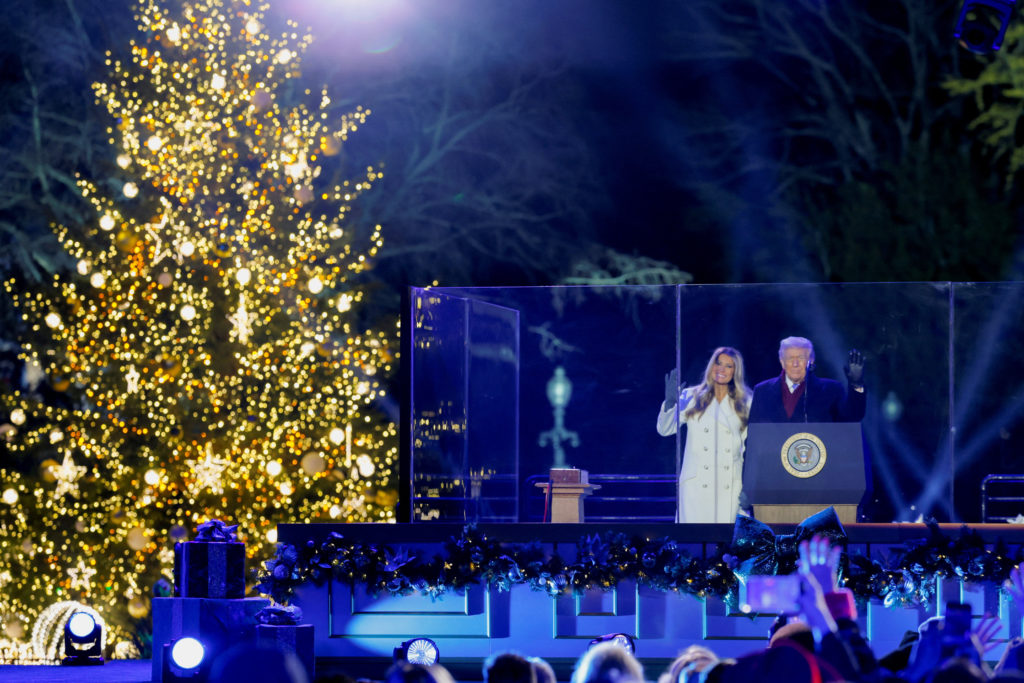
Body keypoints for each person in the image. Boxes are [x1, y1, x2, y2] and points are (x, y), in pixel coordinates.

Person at [657, 347, 752, 523]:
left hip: (730, 485)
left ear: (735, 371)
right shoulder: (691, 396)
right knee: (693, 542)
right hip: (696, 485)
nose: (722, 369)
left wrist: (749, 487)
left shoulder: (746, 402)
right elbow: (665, 429)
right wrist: (670, 403)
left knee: (725, 543)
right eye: (718, 363)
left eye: (729, 366)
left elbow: (750, 448)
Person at [748, 337, 866, 424]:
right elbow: (754, 435)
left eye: (801, 358)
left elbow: (853, 417)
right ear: (782, 361)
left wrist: (856, 384)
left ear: (811, 360)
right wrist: (749, 458)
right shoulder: (762, 391)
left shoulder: (831, 389)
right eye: (790, 358)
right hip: (773, 457)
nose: (795, 364)